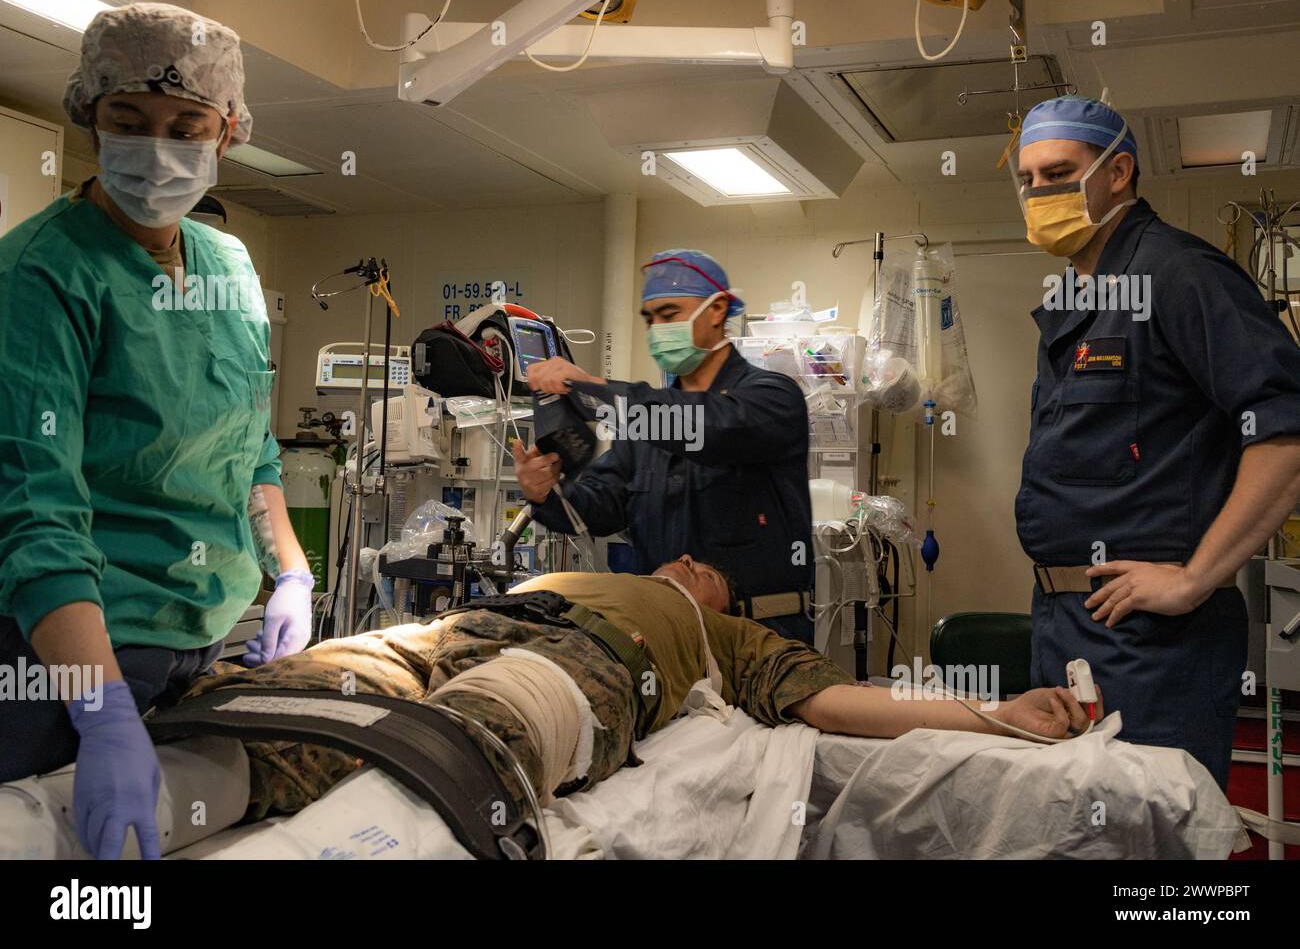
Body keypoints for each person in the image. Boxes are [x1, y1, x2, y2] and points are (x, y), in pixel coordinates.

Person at [0, 4, 314, 858]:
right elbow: (37, 516)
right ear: (89, 116)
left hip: (209, 641)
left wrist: (291, 572)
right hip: (71, 652)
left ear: (228, 131)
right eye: (129, 122)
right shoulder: (43, 272)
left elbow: (252, 446)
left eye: (188, 126)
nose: (159, 148)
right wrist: (98, 713)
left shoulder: (232, 267)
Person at [180, 556, 1097, 825]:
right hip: (468, 626)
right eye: (686, 558)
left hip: (596, 663)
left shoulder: (719, 637)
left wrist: (996, 712)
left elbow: (832, 706)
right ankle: (165, 784)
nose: (693, 563)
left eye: (708, 571)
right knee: (291, 695)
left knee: (468, 738)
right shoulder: (568, 572)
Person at [1011, 95, 1300, 788]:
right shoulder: (1078, 302)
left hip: (1150, 637)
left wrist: (1196, 578)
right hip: (1063, 622)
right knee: (1071, 824)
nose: (1039, 193)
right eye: (1028, 180)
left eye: (1059, 173)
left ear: (1119, 173)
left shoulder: (1178, 274)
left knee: (1149, 841)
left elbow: (1286, 432)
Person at [514, 250, 815, 643]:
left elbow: (706, 426)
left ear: (717, 310)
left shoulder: (772, 398)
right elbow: (597, 509)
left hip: (758, 638)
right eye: (651, 318)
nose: (657, 328)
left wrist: (596, 389)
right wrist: (545, 492)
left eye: (670, 314)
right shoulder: (645, 432)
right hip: (668, 637)